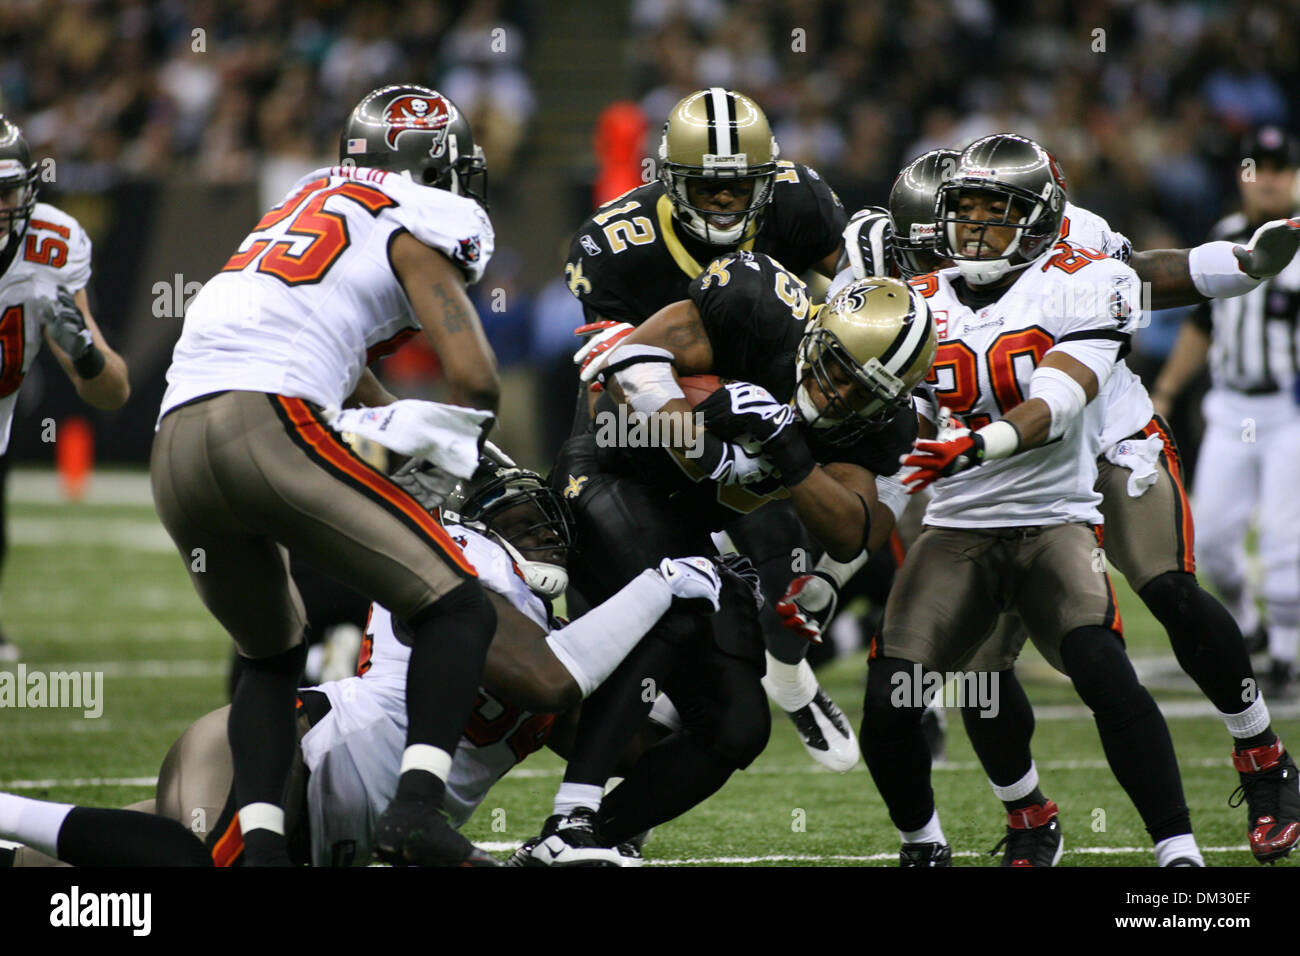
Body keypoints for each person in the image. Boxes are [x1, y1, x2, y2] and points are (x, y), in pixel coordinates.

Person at [791, 143, 1300, 865]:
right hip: (988, 473)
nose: (947, 246)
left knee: (1166, 586)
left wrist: (1235, 265)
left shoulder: (1072, 254)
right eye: (924, 239)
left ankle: (1262, 756)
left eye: (978, 220)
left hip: (1101, 437)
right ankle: (1028, 813)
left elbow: (1141, 279)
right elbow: (890, 459)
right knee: (981, 666)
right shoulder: (893, 285)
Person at [0, 458, 726, 867]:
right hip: (286, 754)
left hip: (320, 828)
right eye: (516, 522)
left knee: (100, 890)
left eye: (546, 526)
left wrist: (706, 681)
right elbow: (546, 677)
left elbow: (628, 745)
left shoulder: (552, 637)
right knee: (200, 869)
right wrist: (661, 586)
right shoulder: (462, 565)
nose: (536, 536)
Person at [151, 84, 503, 867]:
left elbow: (336, 368)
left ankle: (266, 854)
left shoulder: (307, 195)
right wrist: (465, 449)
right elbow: (475, 381)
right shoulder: (423, 214)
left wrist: (393, 424)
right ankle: (415, 811)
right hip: (267, 424)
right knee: (457, 608)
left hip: (174, 443)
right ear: (437, 171)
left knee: (270, 656)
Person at [517, 251, 933, 865]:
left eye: (861, 391)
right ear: (818, 334)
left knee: (737, 727)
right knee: (679, 605)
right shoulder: (757, 306)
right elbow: (627, 364)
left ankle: (585, 839)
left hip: (691, 527)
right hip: (611, 476)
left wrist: (792, 455)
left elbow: (855, 533)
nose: (835, 392)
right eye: (835, 368)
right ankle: (571, 815)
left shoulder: (878, 427)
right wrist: (702, 448)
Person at [861, 133, 1203, 868]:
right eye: (964, 212)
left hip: (1053, 520)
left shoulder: (1081, 283)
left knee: (1105, 674)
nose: (975, 229)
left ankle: (1178, 852)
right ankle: (926, 846)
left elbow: (1057, 398)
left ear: (1041, 221)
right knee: (891, 704)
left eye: (996, 212)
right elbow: (894, 416)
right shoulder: (913, 302)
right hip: (958, 527)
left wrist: (977, 445)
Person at [565, 87, 859, 770]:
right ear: (669, 181)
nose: (724, 202)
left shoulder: (800, 201)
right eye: (706, 187)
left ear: (767, 180)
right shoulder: (615, 243)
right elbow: (615, 380)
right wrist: (705, 441)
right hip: (643, 421)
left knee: (826, 536)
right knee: (627, 616)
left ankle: (793, 669)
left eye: (738, 187)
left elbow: (856, 299)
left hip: (770, 400)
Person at [1153, 126, 1300, 699]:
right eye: (1256, 167)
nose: (1267, 179)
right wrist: (1165, 389)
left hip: (1291, 406)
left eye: (1280, 167)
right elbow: (1204, 324)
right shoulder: (1223, 238)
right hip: (1230, 406)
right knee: (1210, 538)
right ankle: (1252, 627)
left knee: (1287, 539)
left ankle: (1287, 656)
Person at [0, 115, 131, 661]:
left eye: (7, 191)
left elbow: (112, 391)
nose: (1, 207)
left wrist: (84, 355)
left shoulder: (50, 242)